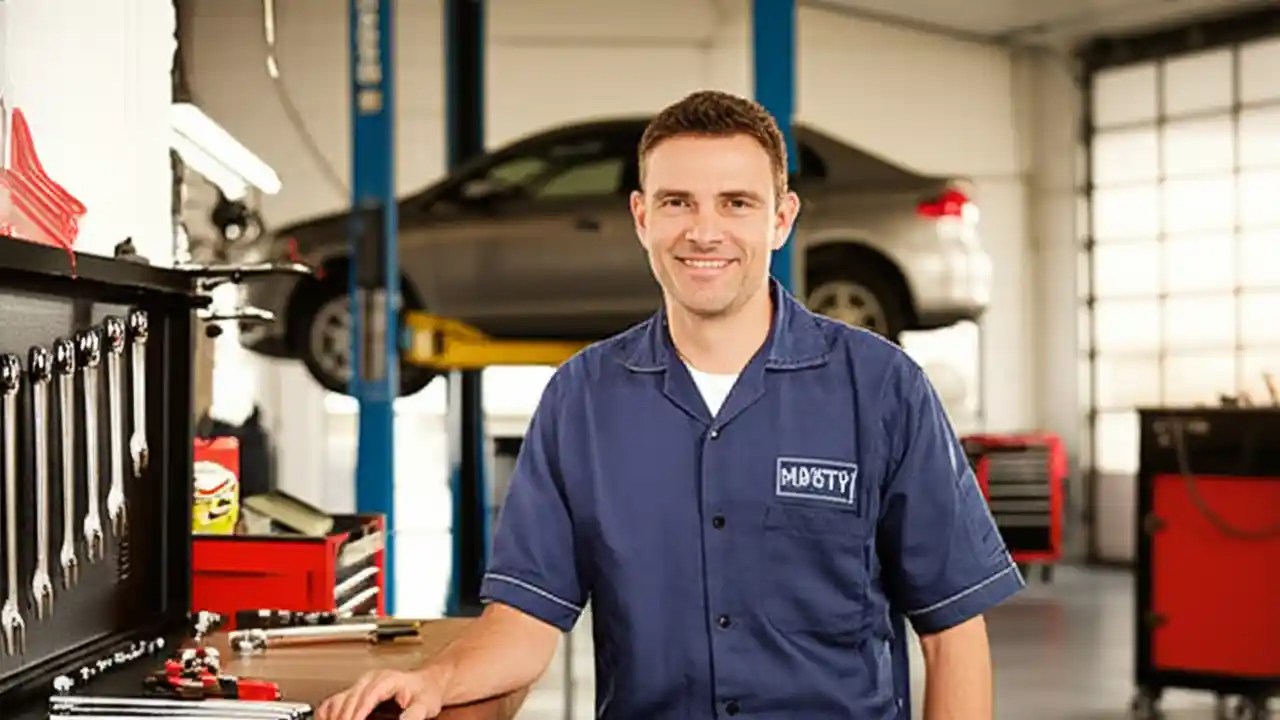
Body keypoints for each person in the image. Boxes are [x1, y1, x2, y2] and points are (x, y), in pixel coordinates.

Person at [317, 89, 1024, 720]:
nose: (704, 231)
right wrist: (433, 681)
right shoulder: (582, 400)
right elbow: (526, 619)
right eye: (677, 202)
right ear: (640, 217)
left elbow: (953, 633)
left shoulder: (882, 389)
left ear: (781, 219)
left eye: (736, 203)